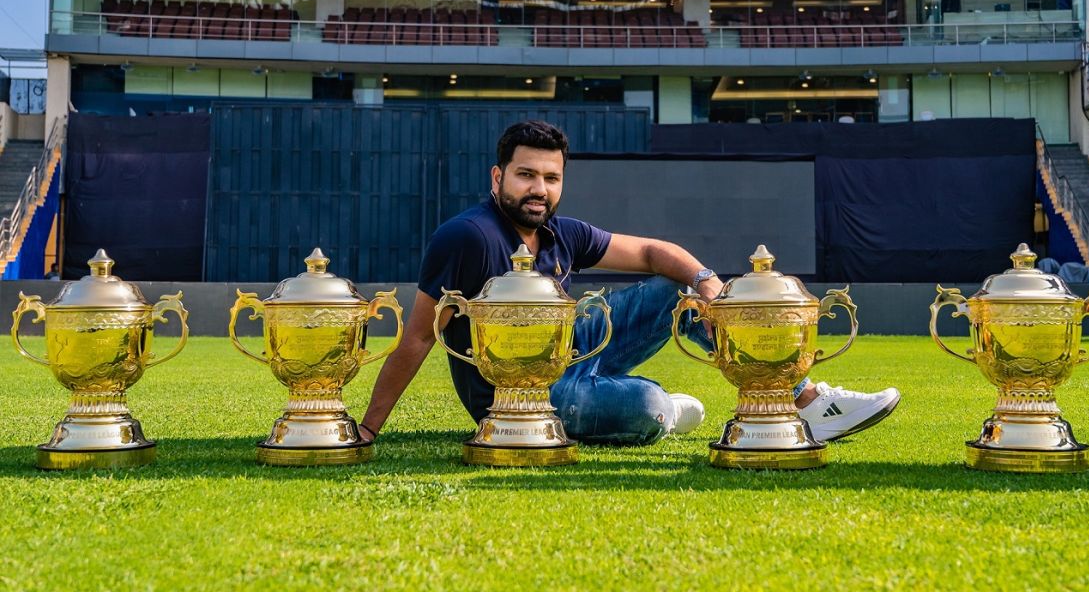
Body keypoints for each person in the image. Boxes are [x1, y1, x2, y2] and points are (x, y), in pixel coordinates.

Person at [358, 121, 899, 446]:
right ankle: (663, 409)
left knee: (678, 287)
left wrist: (709, 284)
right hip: (520, 397)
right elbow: (420, 338)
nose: (539, 188)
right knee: (647, 411)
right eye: (525, 175)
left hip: (573, 350)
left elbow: (649, 251)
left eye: (551, 177)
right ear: (498, 178)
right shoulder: (468, 237)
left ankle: (803, 402)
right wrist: (369, 429)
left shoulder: (560, 231)